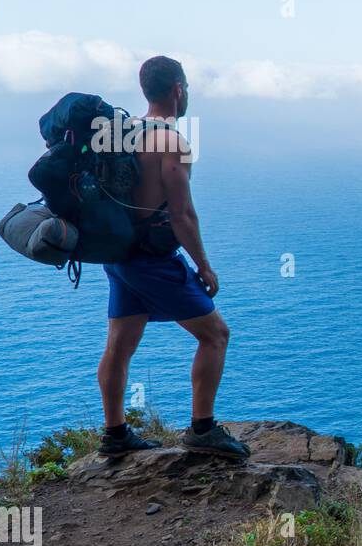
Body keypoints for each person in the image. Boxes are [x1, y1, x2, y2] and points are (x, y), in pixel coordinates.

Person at [95, 56, 250, 459]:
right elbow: (182, 214)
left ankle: (115, 435)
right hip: (153, 259)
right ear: (178, 90)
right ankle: (202, 429)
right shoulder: (173, 142)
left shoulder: (125, 132)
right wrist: (204, 265)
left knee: (120, 345)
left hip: (119, 255)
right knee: (215, 335)